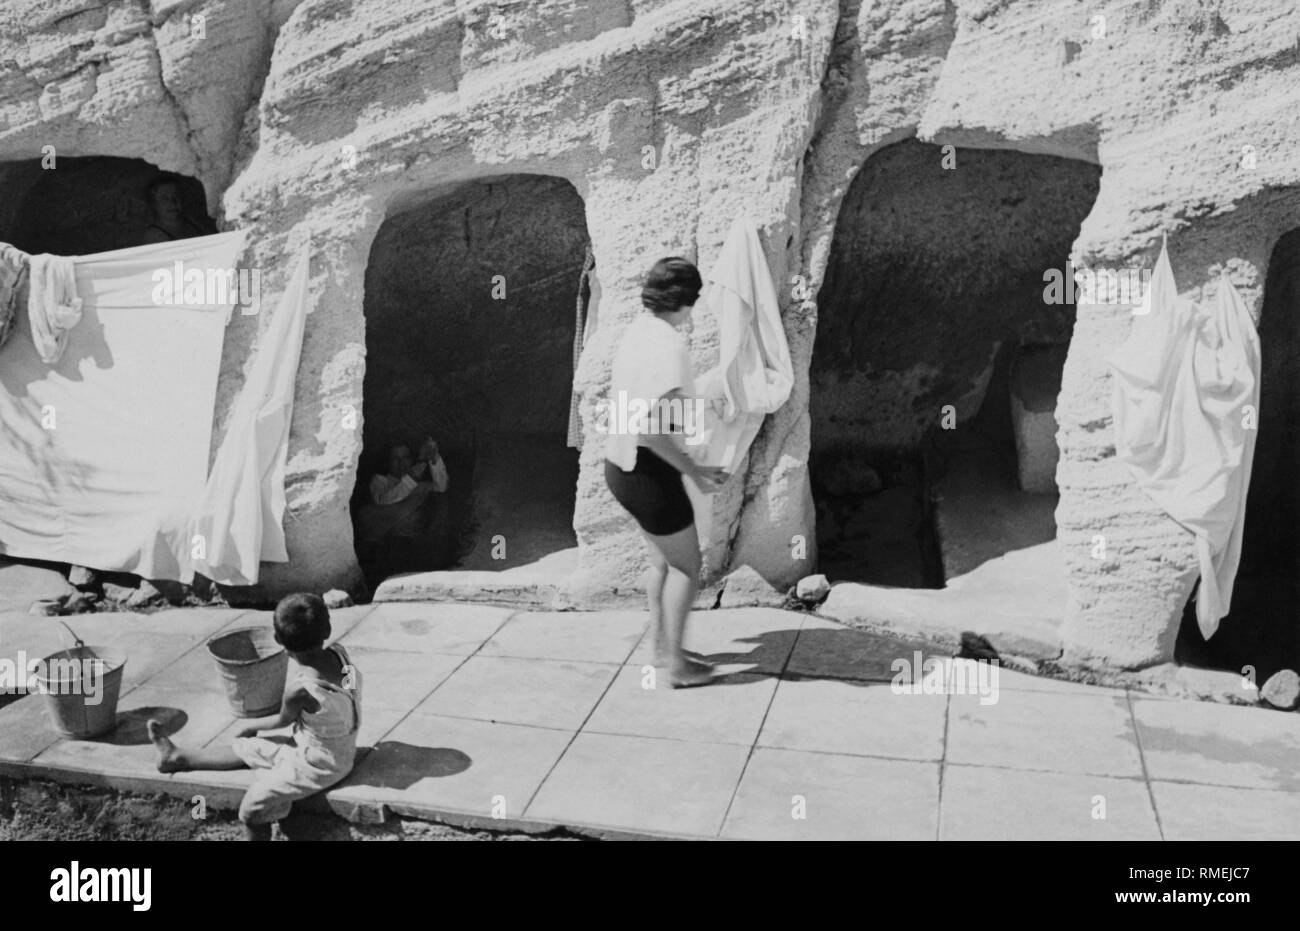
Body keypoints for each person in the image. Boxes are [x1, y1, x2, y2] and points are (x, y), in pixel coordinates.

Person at [604, 256, 729, 688]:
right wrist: (695, 471)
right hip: (648, 473)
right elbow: (653, 432)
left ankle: (660, 648)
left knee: (661, 562)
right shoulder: (670, 347)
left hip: (621, 468)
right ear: (688, 301)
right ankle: (676, 665)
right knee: (687, 568)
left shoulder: (640, 332)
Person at [146, 593, 362, 840]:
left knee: (252, 807)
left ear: (278, 640)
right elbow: (348, 693)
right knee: (249, 747)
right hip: (332, 747)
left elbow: (282, 720)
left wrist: (250, 724)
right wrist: (331, 721)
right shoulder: (340, 654)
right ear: (328, 630)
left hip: (319, 765)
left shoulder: (302, 689)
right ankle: (175, 757)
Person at [139, 175, 207, 244]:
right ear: (154, 204)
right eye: (164, 198)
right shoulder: (154, 237)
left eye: (176, 195)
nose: (172, 202)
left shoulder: (193, 223)